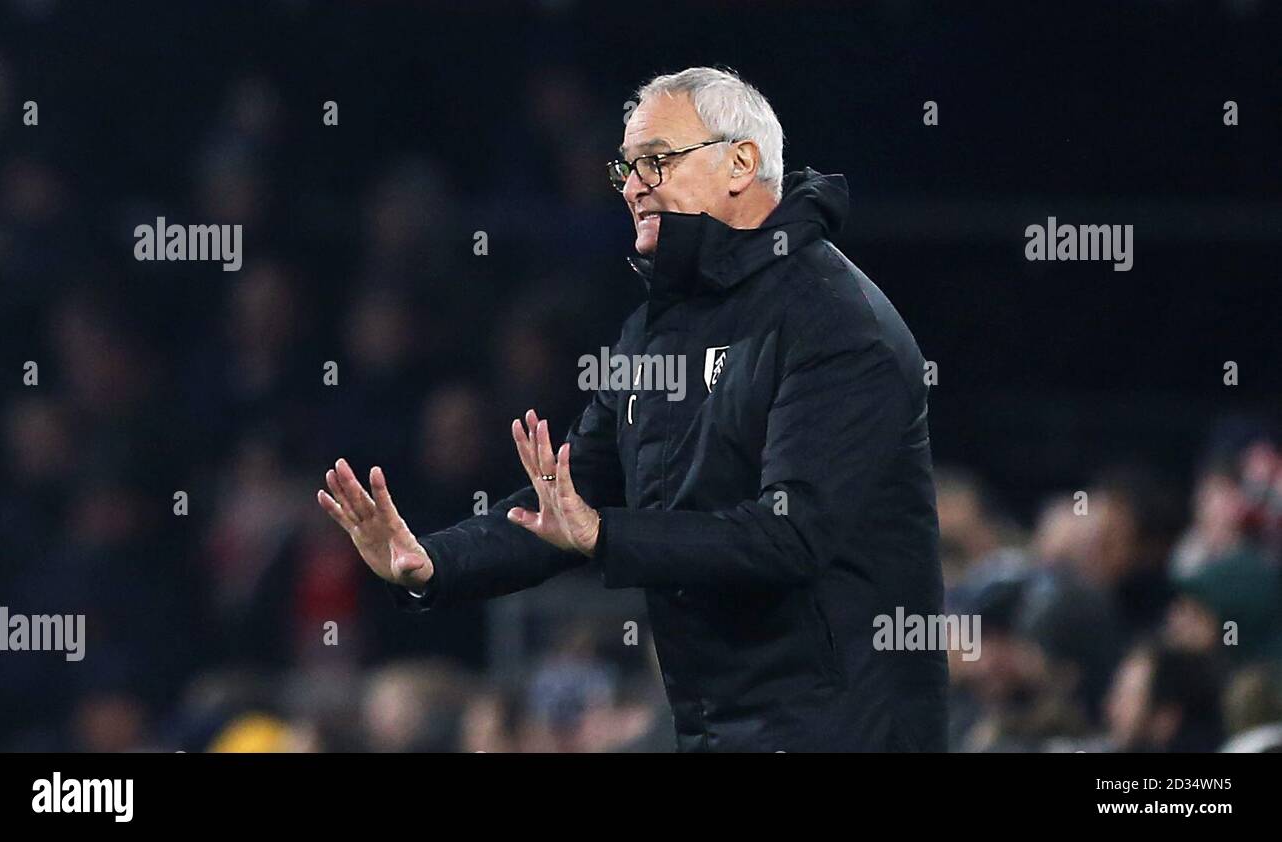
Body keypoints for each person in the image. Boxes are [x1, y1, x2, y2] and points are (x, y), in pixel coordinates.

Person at [318, 67, 947, 751]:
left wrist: (607, 536)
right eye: (627, 166)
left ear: (741, 162)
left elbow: (790, 535)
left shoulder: (834, 318)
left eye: (657, 161)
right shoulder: (655, 328)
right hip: (714, 730)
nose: (633, 184)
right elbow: (566, 502)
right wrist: (433, 563)